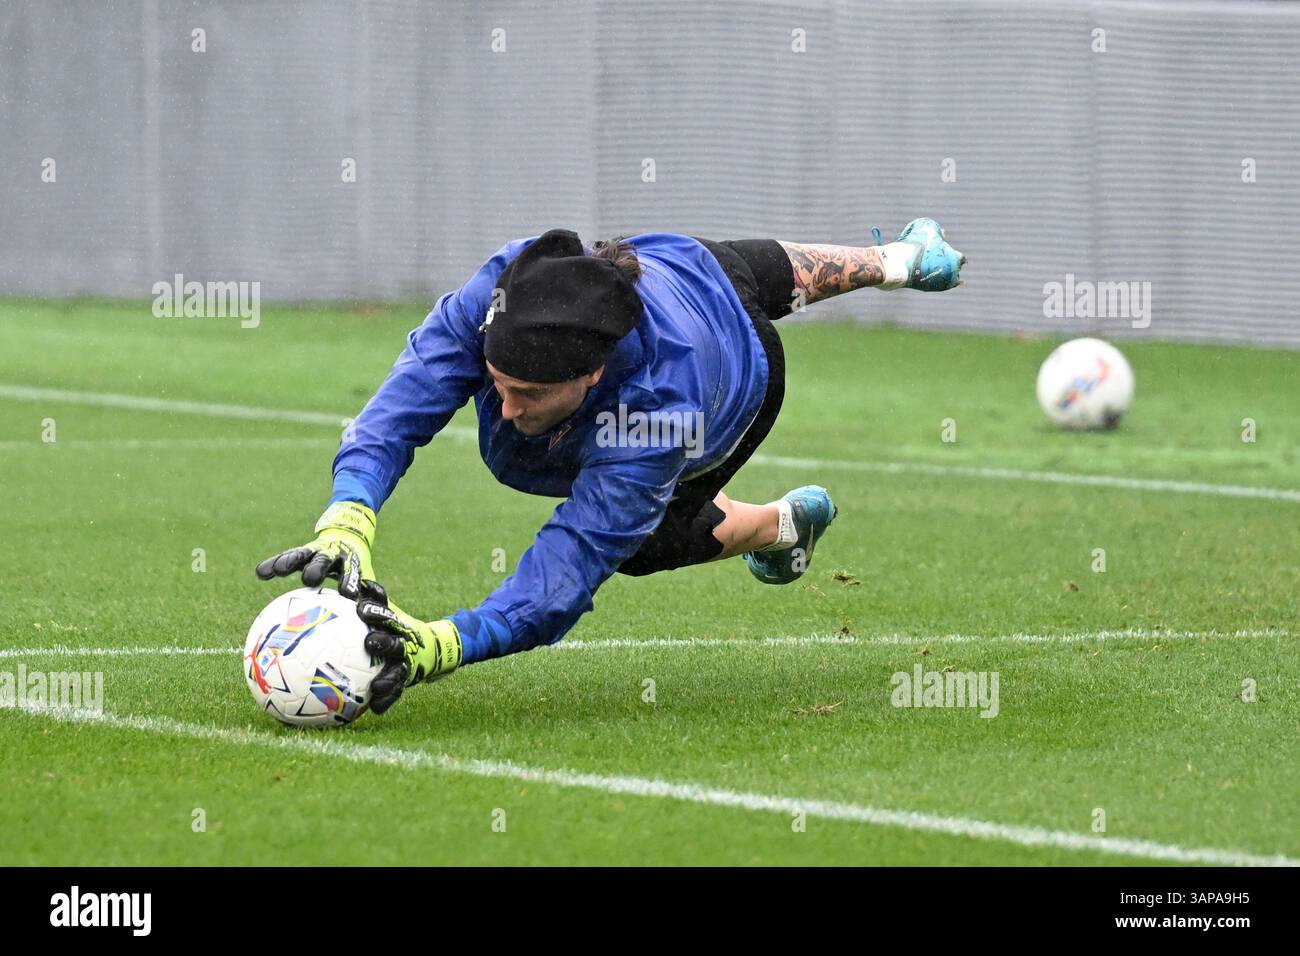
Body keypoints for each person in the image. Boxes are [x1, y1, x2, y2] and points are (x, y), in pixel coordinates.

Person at [256, 221, 966, 713]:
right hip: (688, 260)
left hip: (738, 385)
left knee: (640, 544)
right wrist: (347, 518)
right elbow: (405, 403)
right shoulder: (508, 289)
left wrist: (442, 646)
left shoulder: (660, 411)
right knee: (764, 272)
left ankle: (780, 526)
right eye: (495, 380)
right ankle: (904, 258)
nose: (501, 408)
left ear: (593, 376)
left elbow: (567, 567)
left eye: (528, 394)